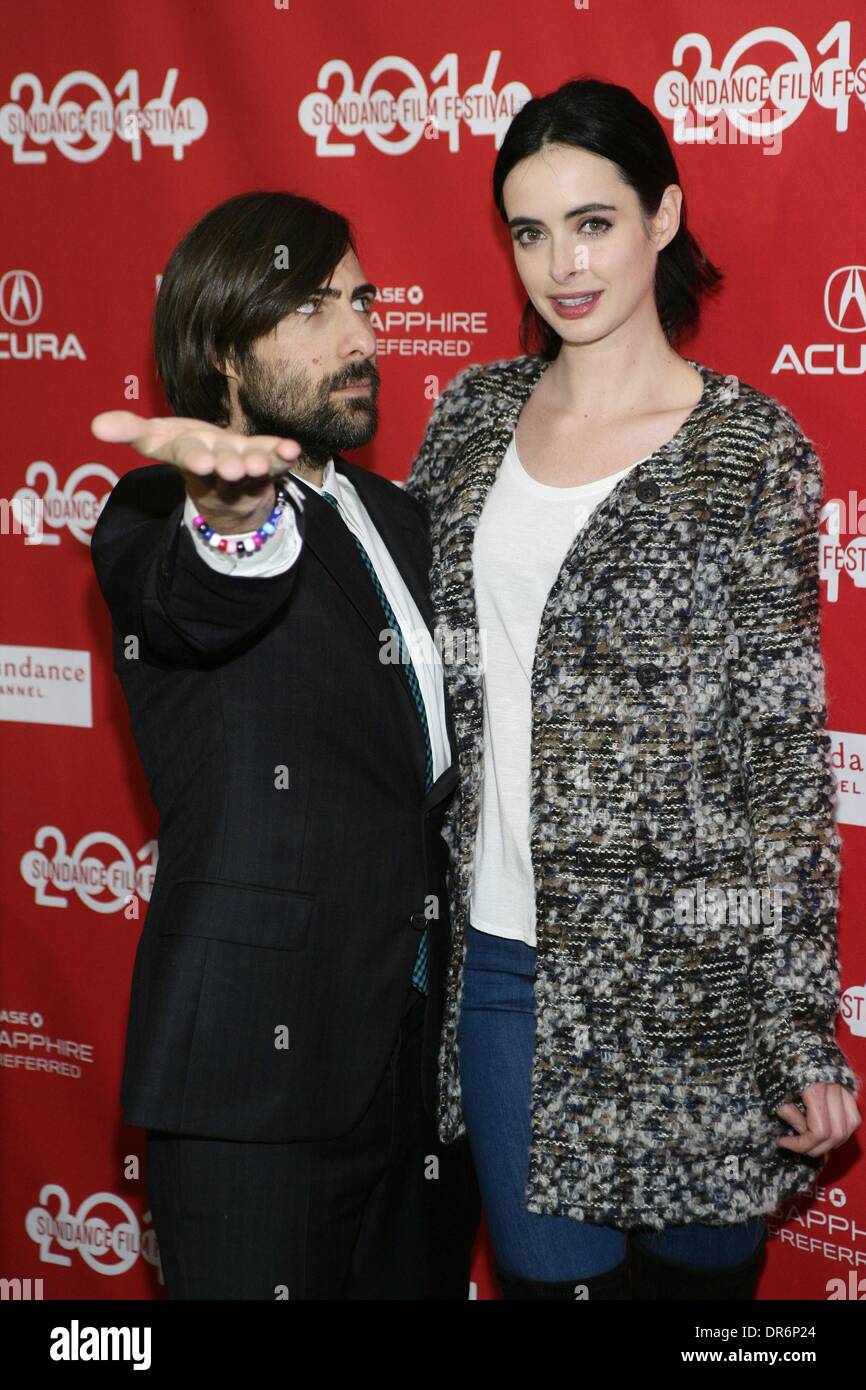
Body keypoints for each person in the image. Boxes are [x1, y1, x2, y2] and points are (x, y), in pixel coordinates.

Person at [402, 76, 862, 1301]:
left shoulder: (747, 452)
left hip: (696, 985)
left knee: (702, 1310)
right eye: (529, 230)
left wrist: (796, 1026)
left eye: (592, 221)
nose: (562, 262)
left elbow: (778, 762)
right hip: (509, 971)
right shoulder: (463, 424)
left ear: (663, 215)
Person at [89, 190, 479, 1300]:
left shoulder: (401, 519)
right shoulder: (158, 515)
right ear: (220, 348)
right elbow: (198, 598)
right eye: (314, 308)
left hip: (415, 1089)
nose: (362, 335)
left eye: (362, 301)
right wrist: (228, 513)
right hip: (252, 1094)